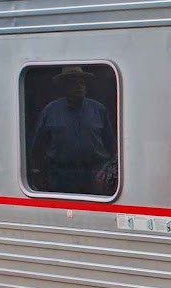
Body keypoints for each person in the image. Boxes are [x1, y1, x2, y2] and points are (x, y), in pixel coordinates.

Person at [28, 66, 116, 195]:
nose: (79, 87)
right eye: (73, 83)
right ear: (64, 86)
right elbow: (38, 146)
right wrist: (38, 172)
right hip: (60, 175)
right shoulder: (50, 111)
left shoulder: (98, 110)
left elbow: (111, 144)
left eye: (82, 83)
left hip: (94, 173)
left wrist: (106, 171)